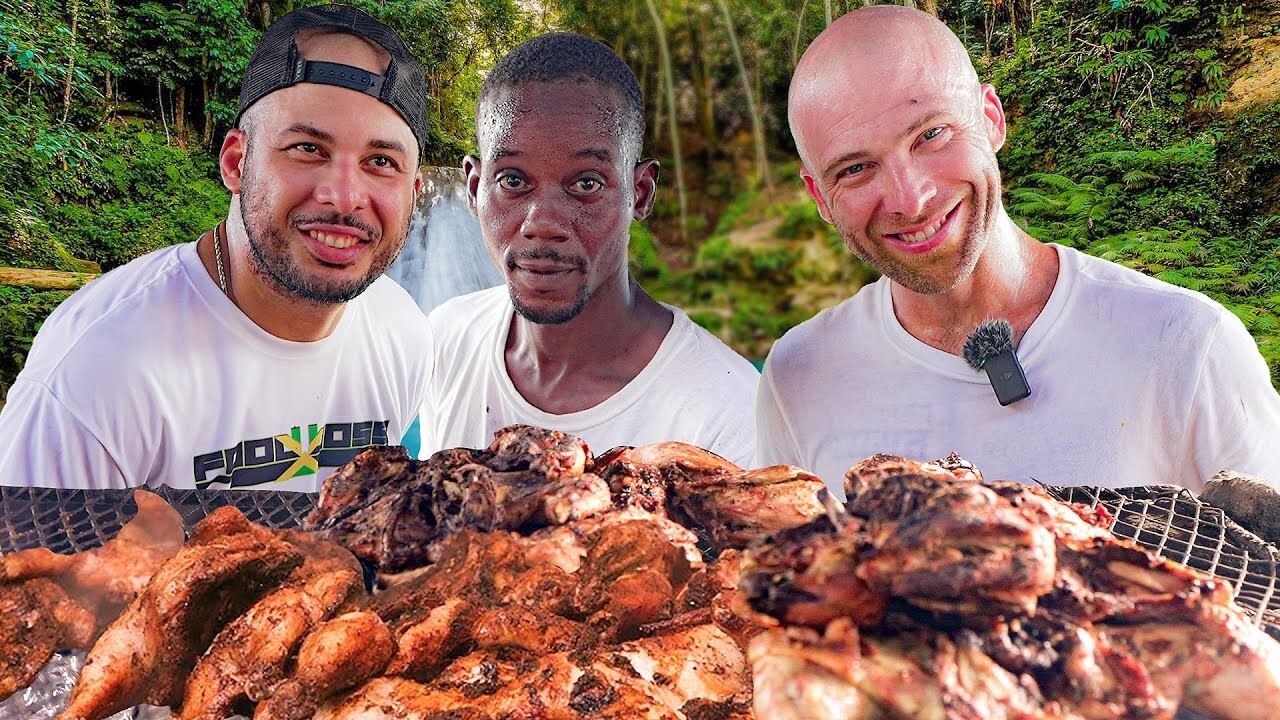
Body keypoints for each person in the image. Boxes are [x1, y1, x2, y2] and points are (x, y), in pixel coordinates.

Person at [759, 5, 1280, 495]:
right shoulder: (800, 377)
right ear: (819, 198)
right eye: (855, 169)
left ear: (992, 119)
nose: (910, 200)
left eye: (932, 134)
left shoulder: (1186, 345)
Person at [0, 4, 434, 490]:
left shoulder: (404, 334)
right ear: (236, 162)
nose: (345, 195)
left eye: (380, 161)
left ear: (413, 194)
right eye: (308, 149)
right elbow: (29, 562)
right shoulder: (98, 369)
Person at [420, 33, 759, 467]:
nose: (541, 222)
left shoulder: (722, 410)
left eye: (586, 184)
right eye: (512, 180)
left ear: (640, 194)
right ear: (474, 188)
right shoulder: (448, 342)